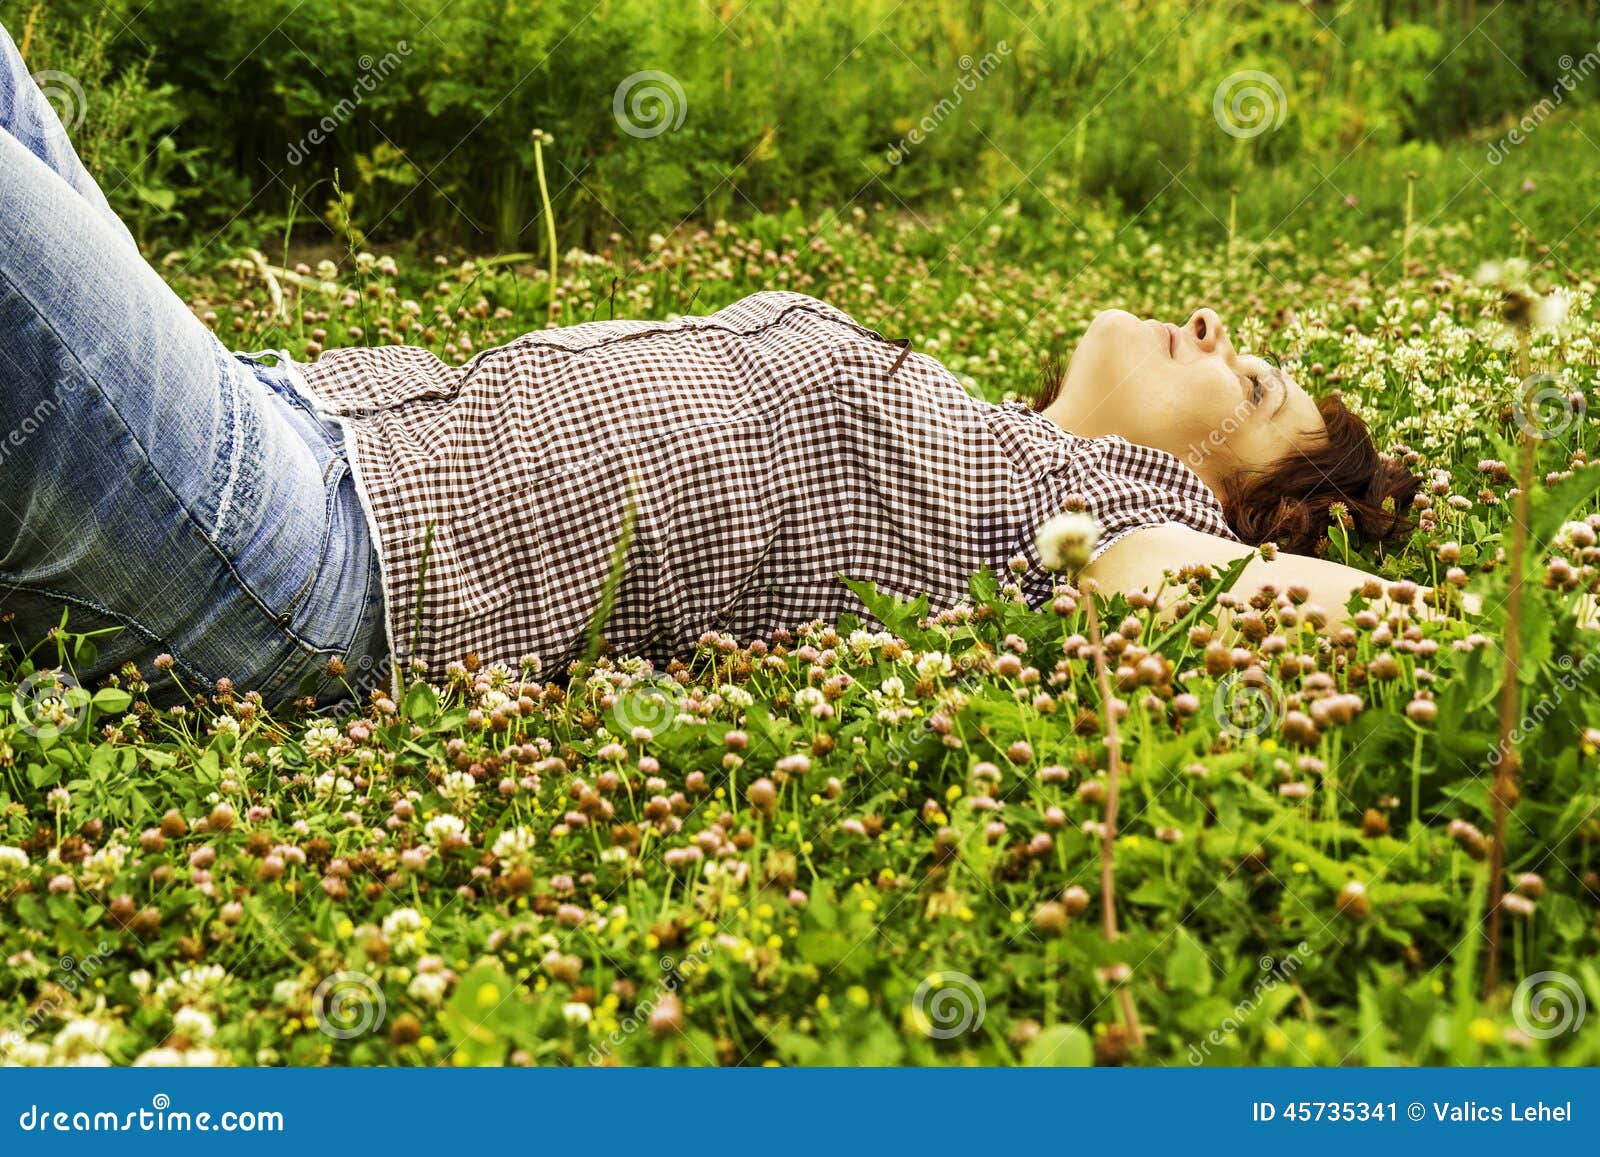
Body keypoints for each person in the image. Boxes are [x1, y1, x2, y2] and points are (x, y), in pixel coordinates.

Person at [0, 25, 1421, 706]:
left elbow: (1396, 634)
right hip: (286, 412)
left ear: (1230, 510)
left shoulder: (1094, 535)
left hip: (306, 564)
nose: (1215, 329)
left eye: (1252, 390)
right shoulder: (982, 433)